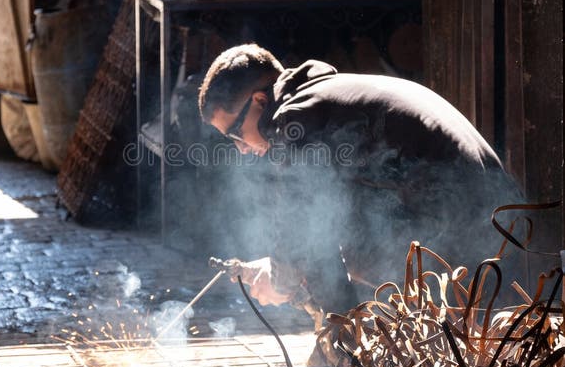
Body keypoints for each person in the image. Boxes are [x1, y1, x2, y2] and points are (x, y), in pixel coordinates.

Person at [198, 43, 524, 318]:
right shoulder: (321, 98)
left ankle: (360, 350)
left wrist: (283, 280)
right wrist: (282, 266)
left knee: (328, 240)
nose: (241, 149)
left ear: (259, 102)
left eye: (234, 134)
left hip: (475, 242)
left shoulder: (296, 117)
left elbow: (304, 235)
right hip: (501, 228)